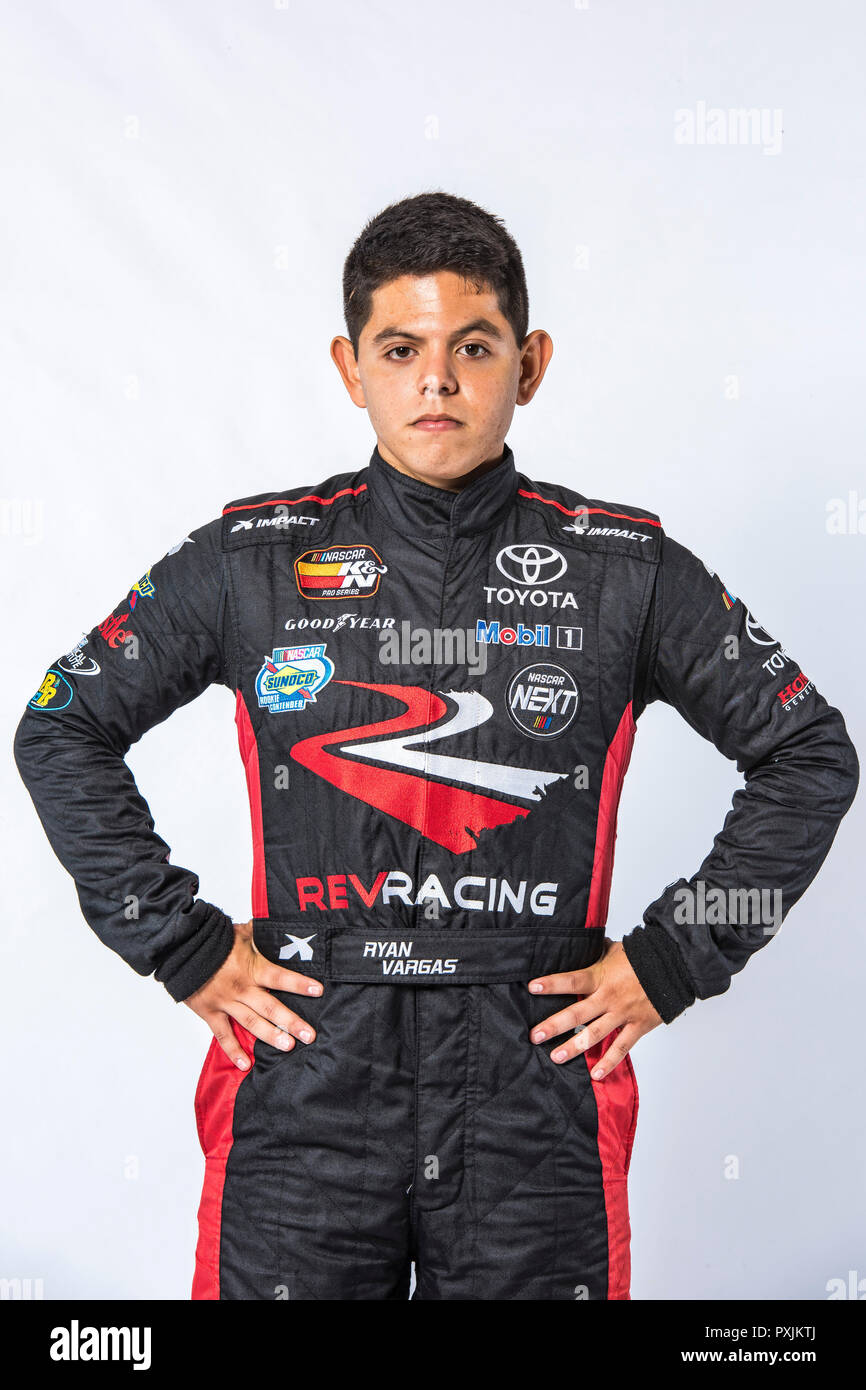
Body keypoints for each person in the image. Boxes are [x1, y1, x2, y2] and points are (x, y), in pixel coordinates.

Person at [13, 190, 858, 1302]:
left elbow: (807, 753)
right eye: (400, 348)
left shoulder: (621, 569)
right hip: (304, 1066)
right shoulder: (252, 560)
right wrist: (178, 943)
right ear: (347, 363)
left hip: (535, 1078)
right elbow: (61, 723)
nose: (437, 382)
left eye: (473, 346)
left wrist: (670, 960)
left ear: (531, 360)